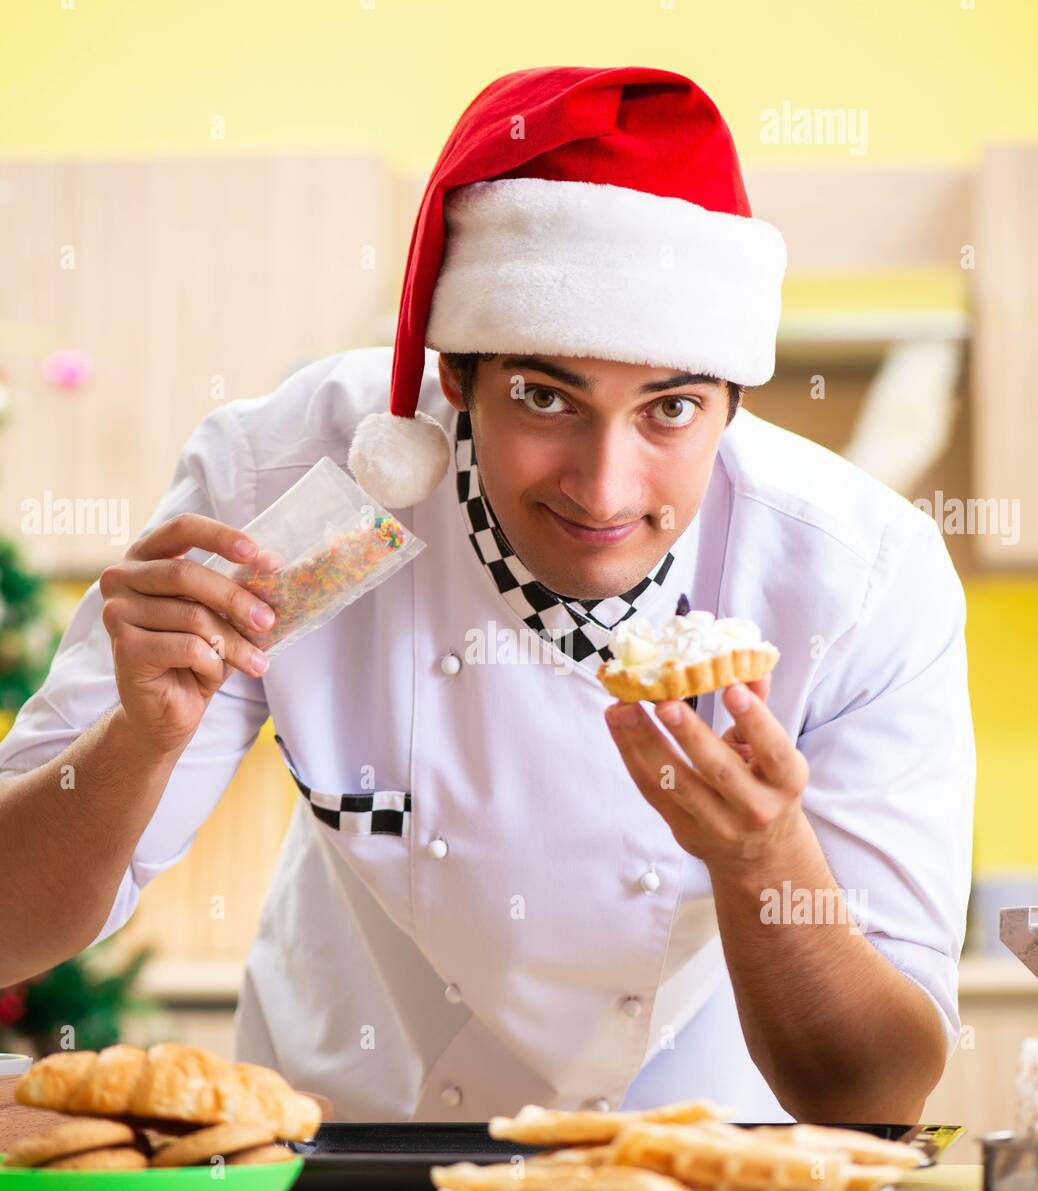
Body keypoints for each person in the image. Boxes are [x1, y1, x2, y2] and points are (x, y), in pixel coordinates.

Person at [0, 66, 974, 1123]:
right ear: (454, 377)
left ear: (734, 401)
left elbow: (876, 1090)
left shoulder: (863, 574)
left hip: (708, 1180)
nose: (606, 488)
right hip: (349, 1157)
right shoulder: (292, 482)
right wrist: (137, 741)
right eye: (545, 396)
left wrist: (762, 854)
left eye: (671, 410)